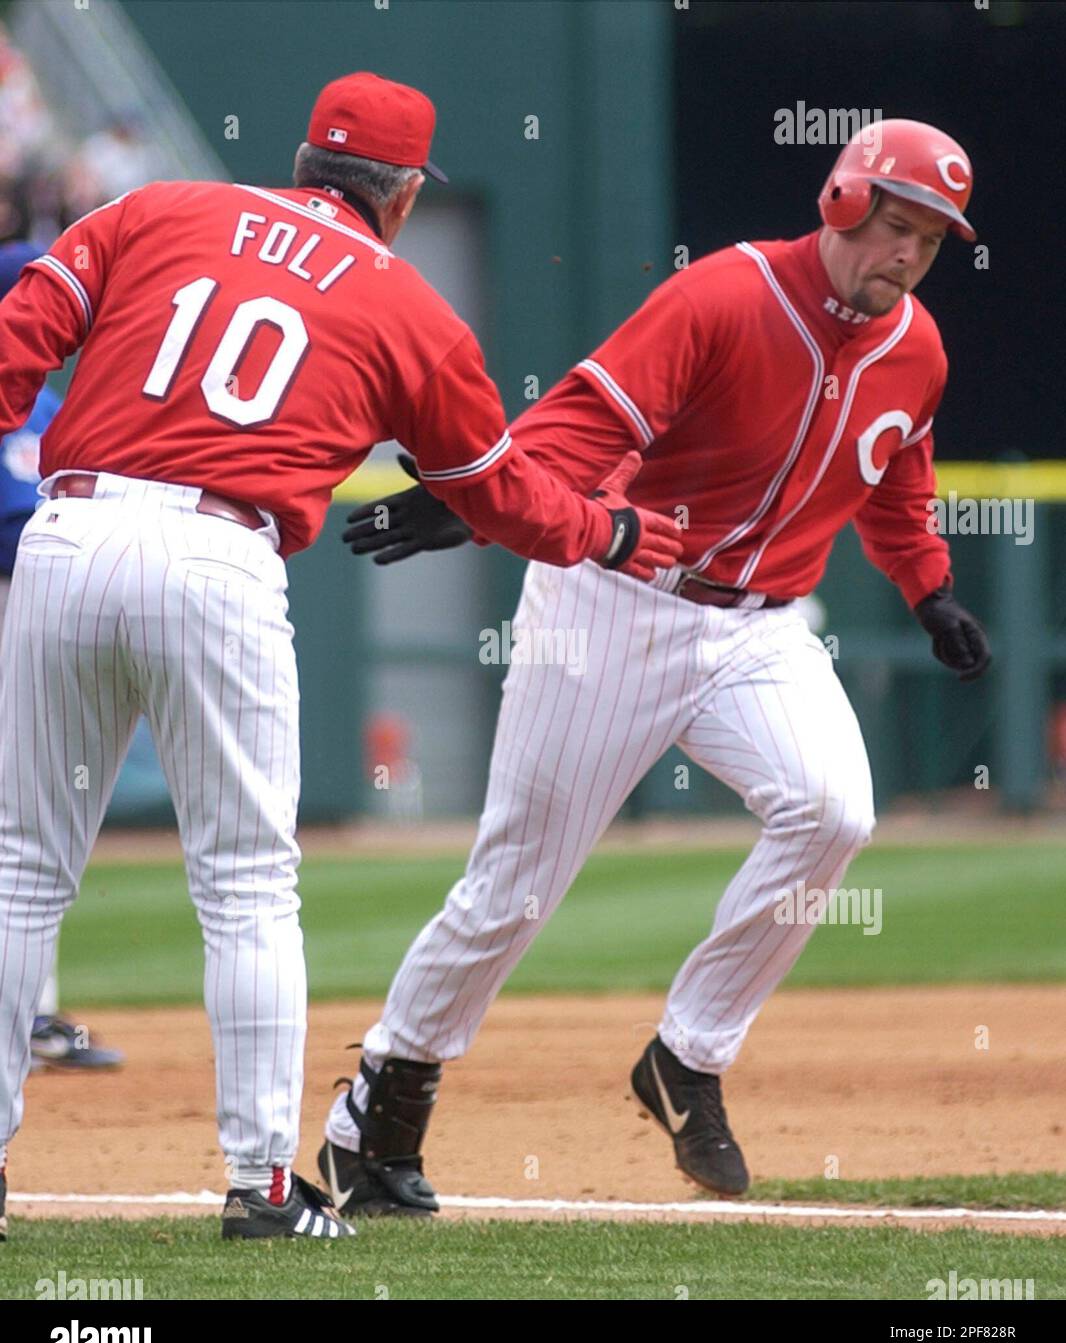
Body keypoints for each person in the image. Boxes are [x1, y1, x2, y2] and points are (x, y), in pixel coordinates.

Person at [0, 70, 680, 1245]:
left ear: (308, 159)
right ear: (405, 192)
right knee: (248, 885)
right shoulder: (409, 307)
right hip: (221, 556)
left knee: (19, 871)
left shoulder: (156, 209)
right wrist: (605, 529)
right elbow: (495, 492)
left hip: (69, 529)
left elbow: (16, 344)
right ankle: (262, 1185)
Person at [321, 119, 992, 1218]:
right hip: (614, 606)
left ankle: (685, 1054)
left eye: (930, 241)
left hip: (763, 628)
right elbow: (588, 422)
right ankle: (375, 1122)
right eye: (897, 226)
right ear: (842, 202)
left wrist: (929, 589)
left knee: (832, 811)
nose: (907, 256)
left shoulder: (915, 349)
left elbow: (894, 482)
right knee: (514, 887)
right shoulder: (724, 295)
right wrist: (476, 501)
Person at [0, 242, 124, 1074]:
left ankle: (35, 1015)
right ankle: (32, 1019)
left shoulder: (46, 403)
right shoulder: (29, 404)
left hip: (40, 606)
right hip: (20, 603)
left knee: (26, 823)